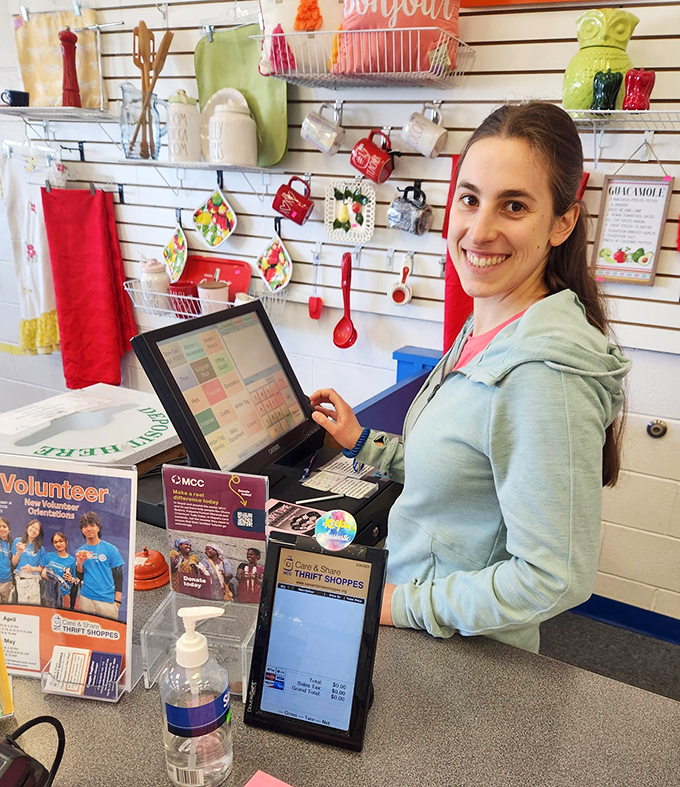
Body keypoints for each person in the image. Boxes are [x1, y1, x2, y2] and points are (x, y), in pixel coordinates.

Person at [310, 102, 631, 654]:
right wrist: (364, 444)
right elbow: (463, 470)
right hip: (424, 617)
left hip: (464, 652)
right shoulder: (488, 325)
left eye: (513, 206)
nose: (479, 231)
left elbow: (553, 577)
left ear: (562, 223)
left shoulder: (542, 377)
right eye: (470, 198)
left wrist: (396, 605)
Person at [74, 512, 125, 621]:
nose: (89, 529)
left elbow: (118, 576)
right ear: (82, 530)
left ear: (98, 528)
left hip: (107, 600)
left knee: (108, 632)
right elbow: (80, 577)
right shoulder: (80, 551)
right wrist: (79, 563)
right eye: (85, 526)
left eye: (92, 525)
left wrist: (117, 602)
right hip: (86, 598)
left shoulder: (111, 549)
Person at [41, 532, 78, 609]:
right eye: (55, 542)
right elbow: (42, 571)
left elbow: (76, 580)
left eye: (61, 541)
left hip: (64, 595)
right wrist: (44, 572)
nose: (58, 544)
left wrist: (71, 579)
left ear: (66, 542)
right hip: (49, 594)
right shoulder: (49, 556)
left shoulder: (72, 561)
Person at [0, 518, 13, 604]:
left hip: (7, 582)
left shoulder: (13, 544)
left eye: (4, 526)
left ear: (9, 530)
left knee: (5, 609)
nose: (1, 529)